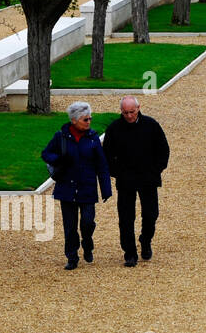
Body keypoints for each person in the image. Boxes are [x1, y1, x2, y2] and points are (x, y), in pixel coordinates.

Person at [42, 102, 112, 270]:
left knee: (88, 222)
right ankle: (72, 257)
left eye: (90, 118)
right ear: (74, 120)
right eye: (85, 119)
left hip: (87, 188)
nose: (89, 122)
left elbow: (102, 165)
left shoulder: (93, 138)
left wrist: (106, 189)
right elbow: (46, 153)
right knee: (70, 226)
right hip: (67, 188)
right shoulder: (61, 137)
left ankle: (87, 243)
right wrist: (58, 160)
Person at [102, 95, 170, 267]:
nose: (129, 116)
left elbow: (163, 149)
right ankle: (129, 252)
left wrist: (156, 169)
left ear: (139, 108)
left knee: (151, 214)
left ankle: (145, 240)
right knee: (125, 218)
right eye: (125, 113)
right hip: (126, 180)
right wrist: (117, 172)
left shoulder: (151, 125)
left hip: (148, 179)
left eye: (132, 112)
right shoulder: (114, 129)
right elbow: (107, 154)